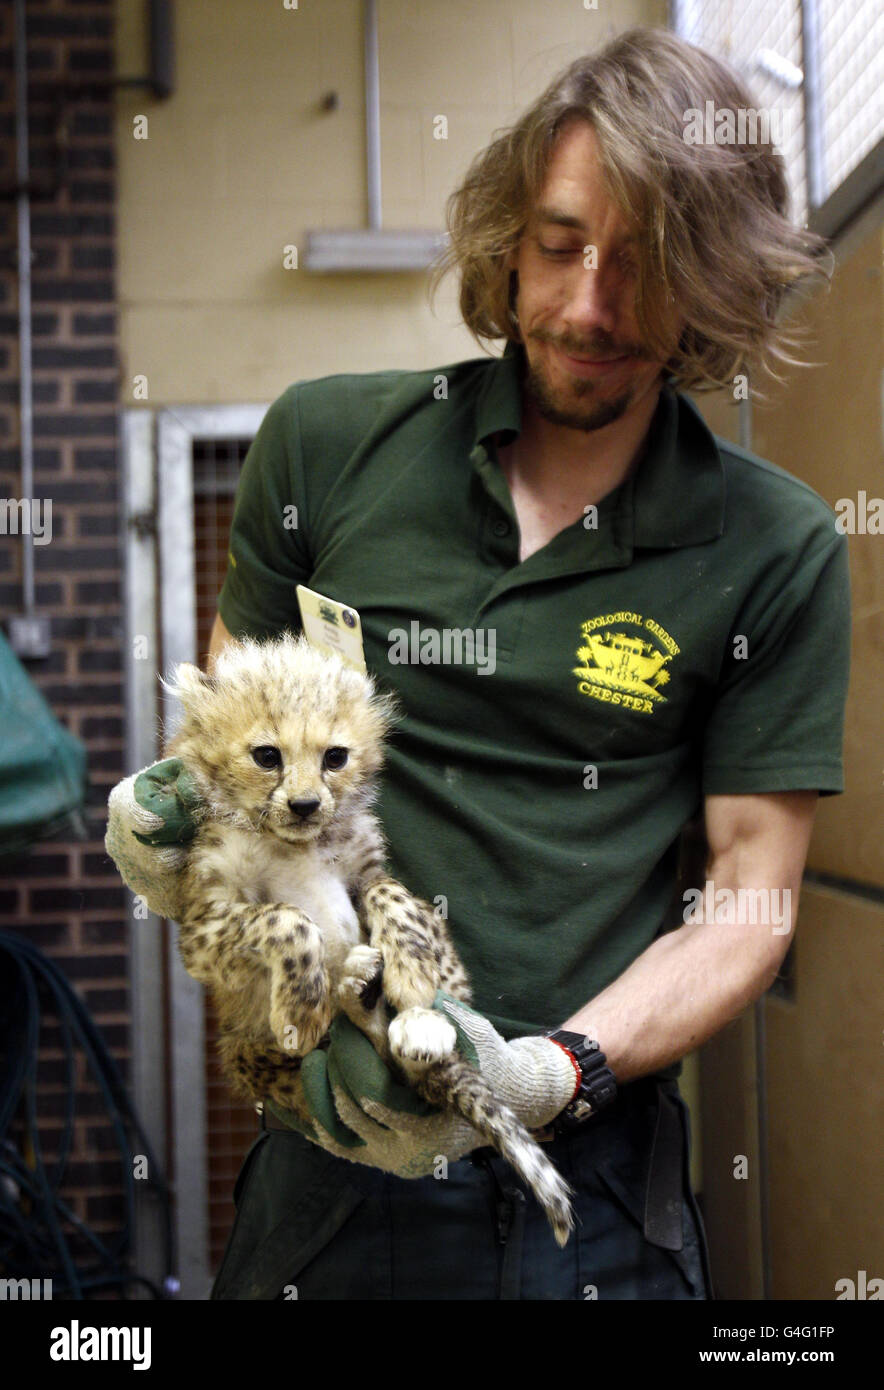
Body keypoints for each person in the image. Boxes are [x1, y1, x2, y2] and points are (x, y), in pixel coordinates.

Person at [106, 26, 850, 1300]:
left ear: (715, 282)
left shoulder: (773, 543)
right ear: (507, 240)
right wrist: (161, 825)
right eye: (559, 246)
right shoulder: (326, 446)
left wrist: (552, 1070)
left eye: (645, 265)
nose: (585, 306)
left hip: (591, 1179)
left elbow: (746, 898)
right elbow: (221, 750)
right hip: (326, 1168)